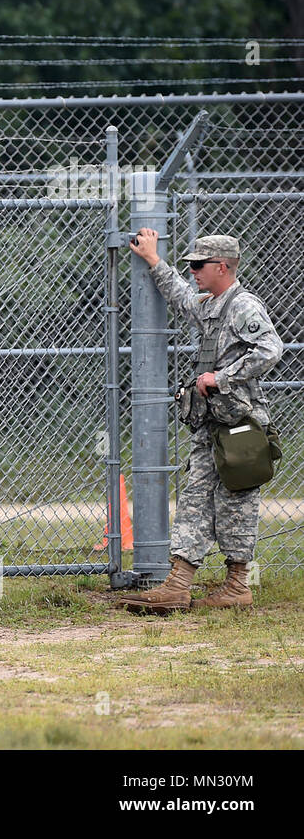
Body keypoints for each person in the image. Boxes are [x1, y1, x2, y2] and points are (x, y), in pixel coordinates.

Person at [118, 231, 282, 612]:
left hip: (239, 426)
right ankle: (177, 585)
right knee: (194, 499)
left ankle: (238, 586)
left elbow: (271, 349)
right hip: (211, 425)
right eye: (190, 265)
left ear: (222, 267)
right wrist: (155, 260)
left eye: (198, 265)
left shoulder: (243, 306)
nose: (192, 271)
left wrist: (221, 377)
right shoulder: (212, 303)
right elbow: (183, 299)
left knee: (236, 501)